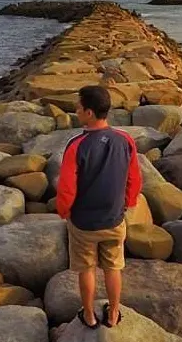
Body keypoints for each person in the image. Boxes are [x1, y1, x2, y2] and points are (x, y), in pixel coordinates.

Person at [55, 85, 142, 328]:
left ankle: (90, 315)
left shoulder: (76, 145)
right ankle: (114, 313)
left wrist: (65, 211)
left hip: (83, 223)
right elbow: (134, 178)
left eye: (79, 106)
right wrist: (128, 202)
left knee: (87, 269)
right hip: (114, 219)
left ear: (89, 113)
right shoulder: (125, 140)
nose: (76, 109)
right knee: (113, 267)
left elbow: (66, 188)